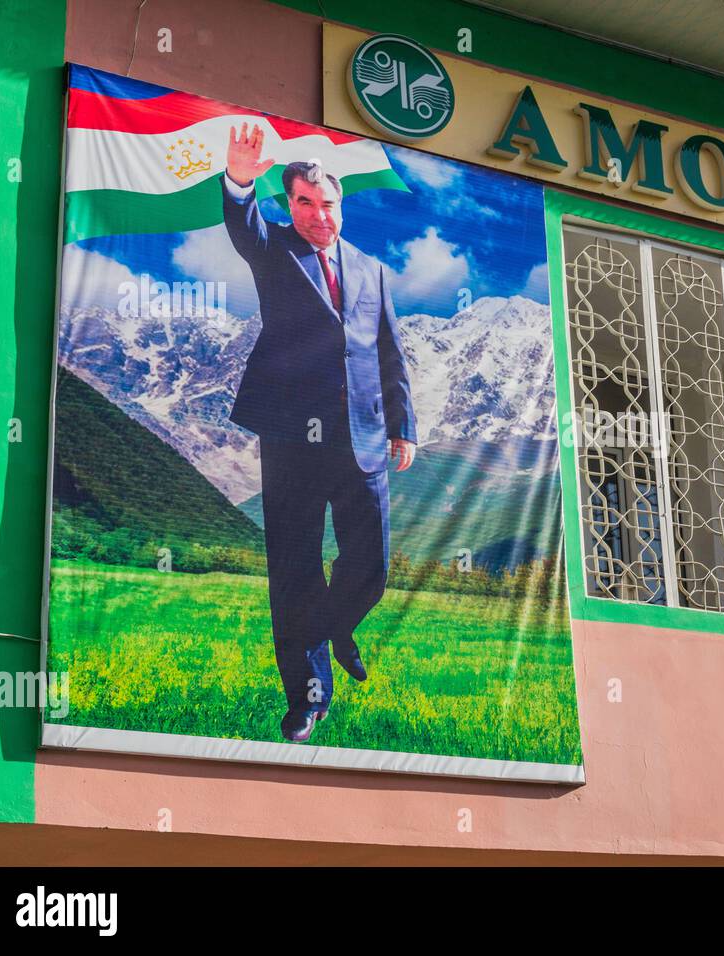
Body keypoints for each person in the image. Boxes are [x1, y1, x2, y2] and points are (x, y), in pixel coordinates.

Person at [221, 122, 417, 743]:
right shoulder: (274, 249)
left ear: (340, 204)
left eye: (326, 203)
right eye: (303, 203)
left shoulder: (373, 271)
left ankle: (336, 628)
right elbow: (241, 226)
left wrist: (403, 426)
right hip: (289, 439)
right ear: (291, 204)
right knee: (294, 567)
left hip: (362, 439)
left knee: (372, 565)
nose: (317, 215)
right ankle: (307, 699)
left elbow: (390, 353)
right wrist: (241, 180)